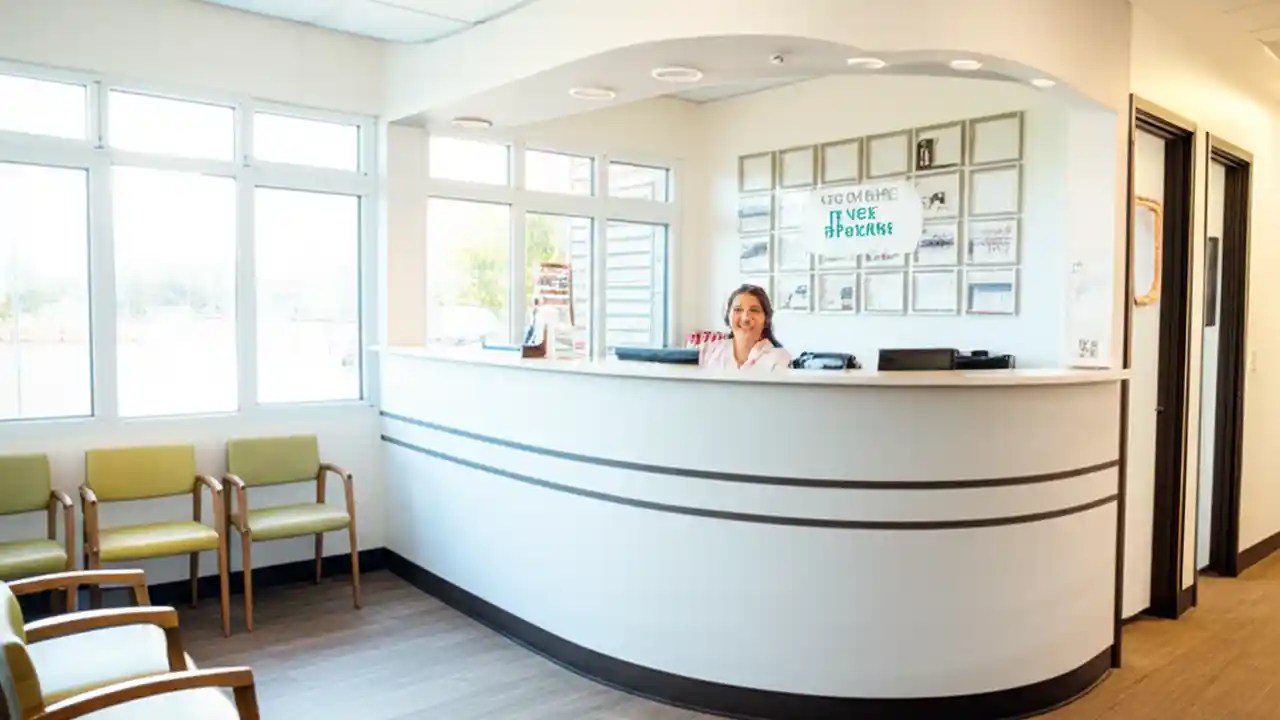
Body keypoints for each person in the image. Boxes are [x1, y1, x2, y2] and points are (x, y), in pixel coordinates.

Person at [699, 284, 793, 370]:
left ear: (766, 318)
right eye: (738, 309)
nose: (745, 318)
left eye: (754, 310)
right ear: (728, 316)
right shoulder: (710, 352)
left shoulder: (780, 359)